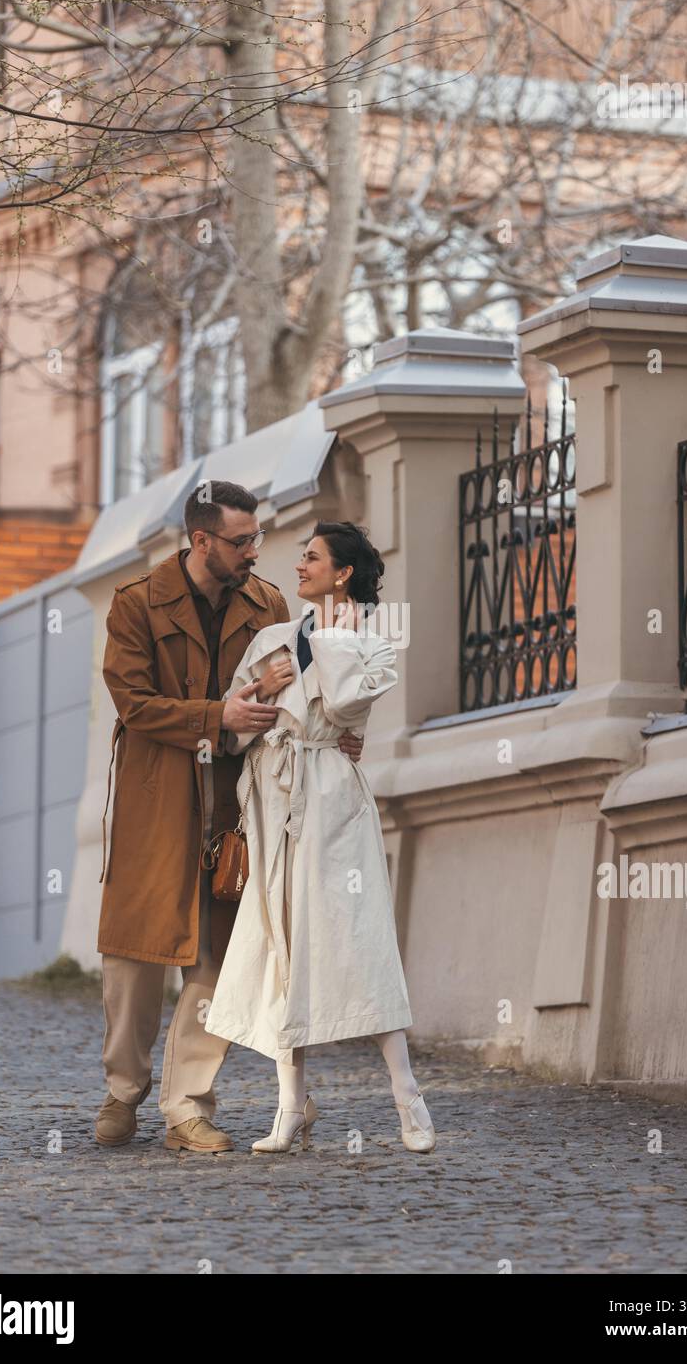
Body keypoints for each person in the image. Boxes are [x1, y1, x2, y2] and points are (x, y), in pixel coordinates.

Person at [94, 481, 364, 1152]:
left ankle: (186, 1107)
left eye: (257, 539)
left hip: (236, 804)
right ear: (202, 540)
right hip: (153, 801)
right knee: (134, 960)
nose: (255, 551)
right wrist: (218, 715)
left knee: (216, 961)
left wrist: (334, 733)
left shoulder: (267, 603)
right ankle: (121, 1092)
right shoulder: (135, 606)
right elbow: (135, 703)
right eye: (241, 541)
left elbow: (300, 692)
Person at [204, 521, 436, 1154]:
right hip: (273, 798)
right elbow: (233, 726)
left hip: (333, 803)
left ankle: (407, 1096)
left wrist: (326, 640)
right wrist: (262, 690)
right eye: (300, 556)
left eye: (312, 558)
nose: (298, 566)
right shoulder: (271, 639)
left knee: (360, 940)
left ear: (343, 574)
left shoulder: (374, 646)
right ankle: (287, 1110)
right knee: (283, 944)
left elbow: (342, 708)